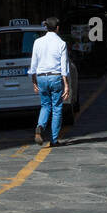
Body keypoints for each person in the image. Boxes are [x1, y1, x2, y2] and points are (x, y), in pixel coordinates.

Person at [29, 16, 70, 147]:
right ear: (57, 28)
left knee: (45, 105)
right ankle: (53, 139)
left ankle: (40, 126)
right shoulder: (61, 43)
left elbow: (33, 64)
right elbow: (64, 66)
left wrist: (34, 81)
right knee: (57, 107)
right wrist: (67, 85)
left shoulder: (38, 42)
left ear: (46, 27)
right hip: (55, 77)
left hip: (41, 77)